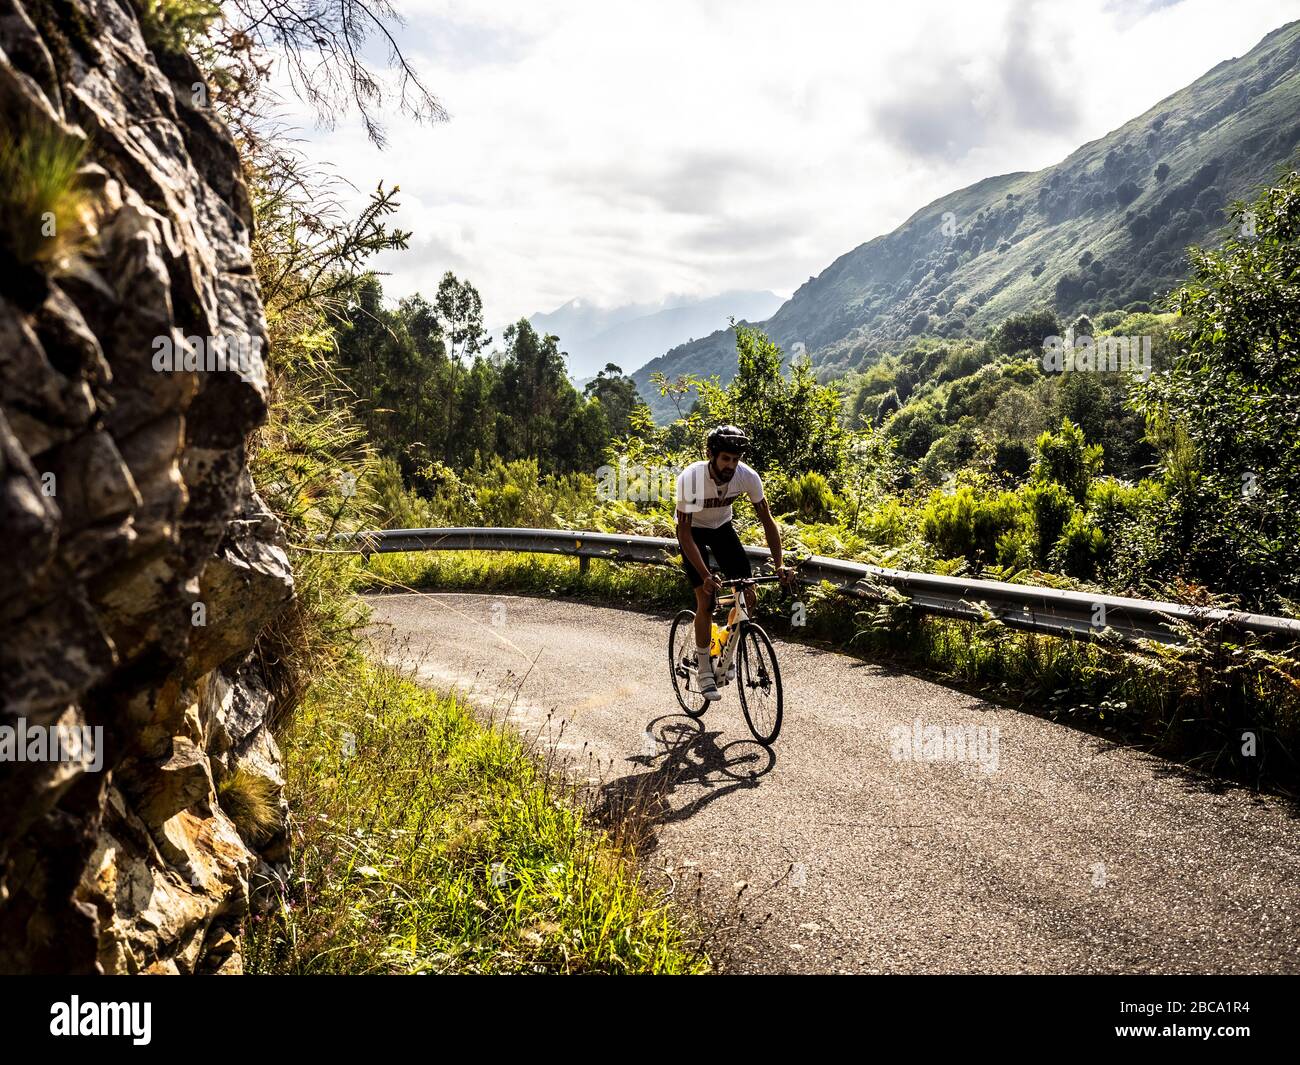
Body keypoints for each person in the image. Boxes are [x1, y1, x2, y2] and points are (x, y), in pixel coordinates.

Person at [675, 424, 791, 701]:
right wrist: (705, 575)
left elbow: (768, 521)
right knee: (706, 600)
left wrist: (779, 564)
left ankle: (725, 643)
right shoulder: (691, 479)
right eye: (726, 458)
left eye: (736, 459)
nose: (731, 465)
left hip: (723, 529)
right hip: (694, 534)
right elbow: (684, 532)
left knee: (747, 595)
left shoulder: (747, 477)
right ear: (711, 455)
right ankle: (704, 668)